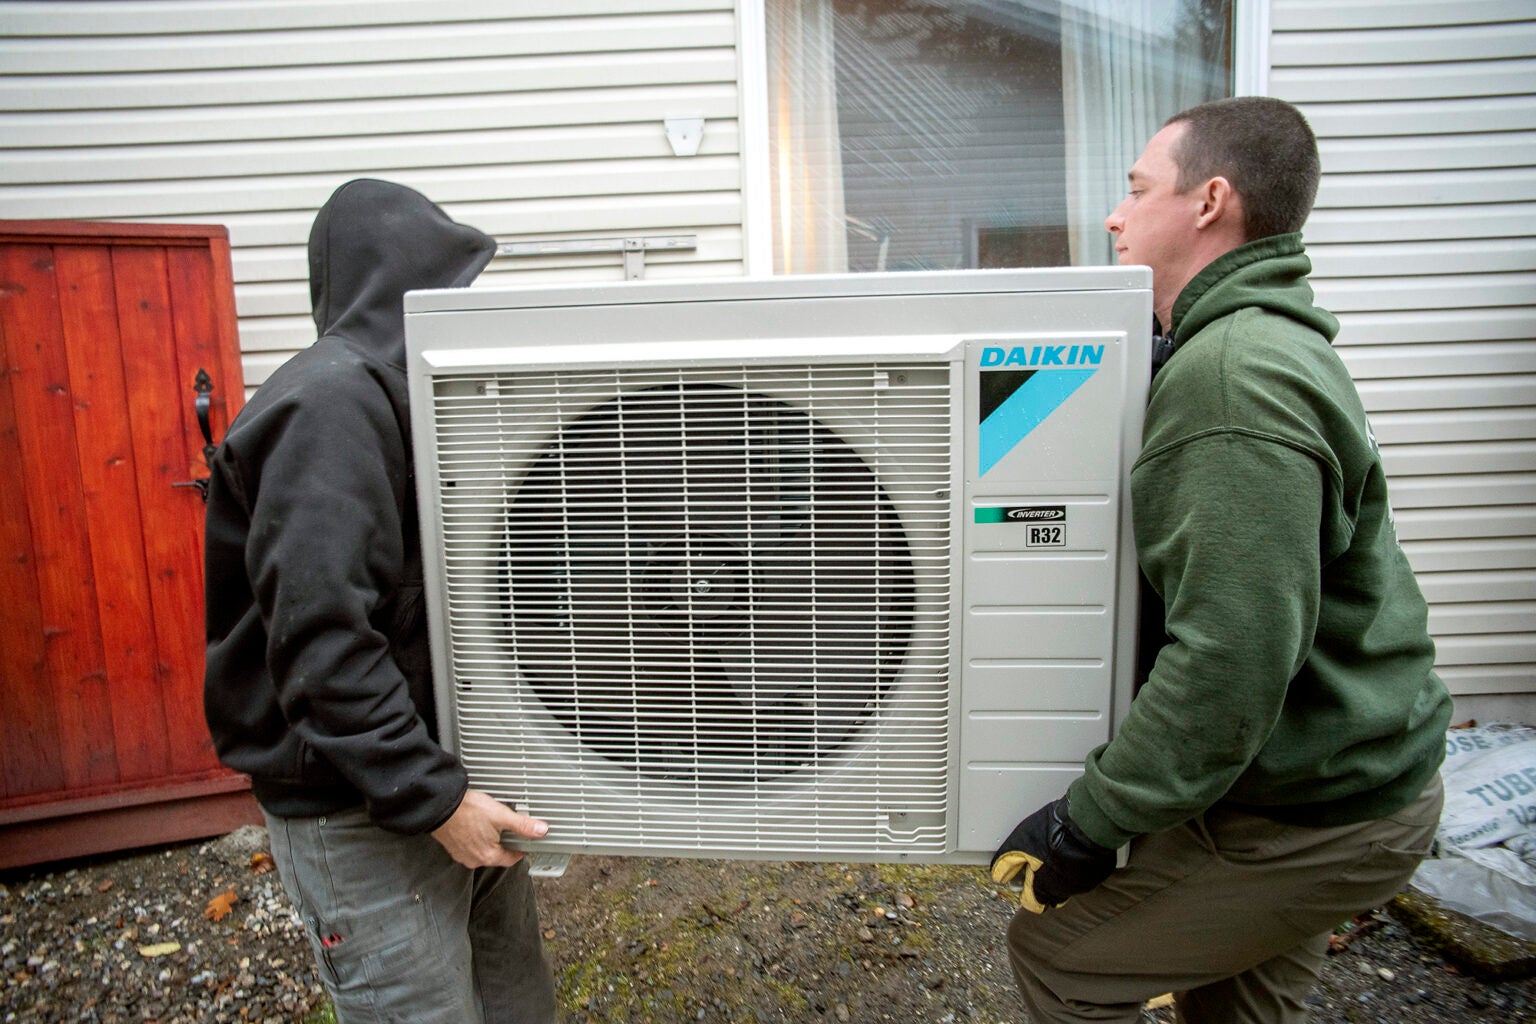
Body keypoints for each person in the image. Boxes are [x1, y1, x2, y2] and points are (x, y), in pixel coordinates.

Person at [990, 97, 1453, 1023]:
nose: (1115, 216)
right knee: (1237, 1010)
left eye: (1135, 190)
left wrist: (1089, 821)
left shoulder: (1232, 379)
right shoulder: (1254, 344)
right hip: (1346, 780)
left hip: (1318, 814)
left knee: (1062, 959)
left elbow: (1230, 660)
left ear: (1210, 202)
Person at [203, 179, 557, 1024]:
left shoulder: (423, 400)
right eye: (450, 287)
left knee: (515, 1004)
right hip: (359, 808)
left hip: (442, 777)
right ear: (406, 287)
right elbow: (321, 640)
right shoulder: (332, 405)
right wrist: (430, 800)